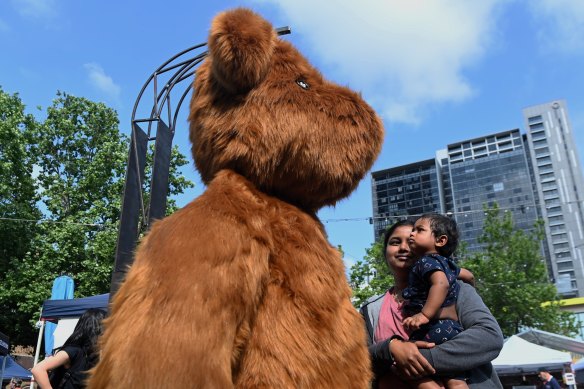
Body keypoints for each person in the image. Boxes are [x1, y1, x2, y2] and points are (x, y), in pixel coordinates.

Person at [360, 219, 504, 389]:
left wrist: (416, 360)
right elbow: (357, 359)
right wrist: (390, 349)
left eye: (412, 239)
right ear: (384, 252)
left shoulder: (455, 288)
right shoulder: (370, 308)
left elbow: (489, 337)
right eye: (395, 242)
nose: (404, 248)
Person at [402, 214, 474, 388]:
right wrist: (472, 289)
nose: (412, 234)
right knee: (456, 380)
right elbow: (468, 275)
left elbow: (440, 283)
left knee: (410, 370)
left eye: (419, 230)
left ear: (440, 241)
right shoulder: (447, 264)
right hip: (453, 329)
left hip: (433, 328)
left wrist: (425, 314)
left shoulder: (425, 261)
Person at [32, 308, 106, 389]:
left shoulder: (92, 356)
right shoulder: (73, 351)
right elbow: (38, 370)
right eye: (105, 327)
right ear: (95, 328)